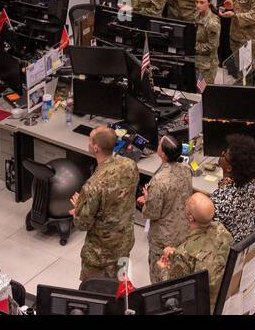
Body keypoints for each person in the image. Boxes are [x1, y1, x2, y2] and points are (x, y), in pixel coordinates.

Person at [69, 126, 138, 281]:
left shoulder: (93, 185)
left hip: (99, 255)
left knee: (95, 297)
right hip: (124, 243)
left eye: (89, 139)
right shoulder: (130, 165)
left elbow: (82, 224)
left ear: (95, 147)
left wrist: (78, 208)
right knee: (121, 290)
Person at [159, 192, 234, 309]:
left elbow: (176, 291)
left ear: (190, 217)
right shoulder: (222, 231)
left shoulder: (184, 253)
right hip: (225, 296)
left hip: (204, 306)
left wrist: (163, 269)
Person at [140, 136, 192, 282]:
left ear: (162, 154)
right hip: (183, 229)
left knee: (160, 274)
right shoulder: (186, 169)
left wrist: (148, 200)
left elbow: (152, 213)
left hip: (163, 237)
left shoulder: (158, 181)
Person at [211, 134, 255, 241]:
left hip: (227, 250)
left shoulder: (220, 199)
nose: (222, 153)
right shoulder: (250, 185)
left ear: (229, 168)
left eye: (224, 154)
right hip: (244, 241)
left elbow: (208, 230)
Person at [193, 0, 221, 87]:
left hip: (207, 66)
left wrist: (192, 46)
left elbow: (212, 46)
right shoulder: (197, 15)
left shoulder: (212, 23)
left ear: (209, 2)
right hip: (195, 61)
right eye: (196, 2)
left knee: (203, 92)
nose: (198, 5)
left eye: (202, 2)